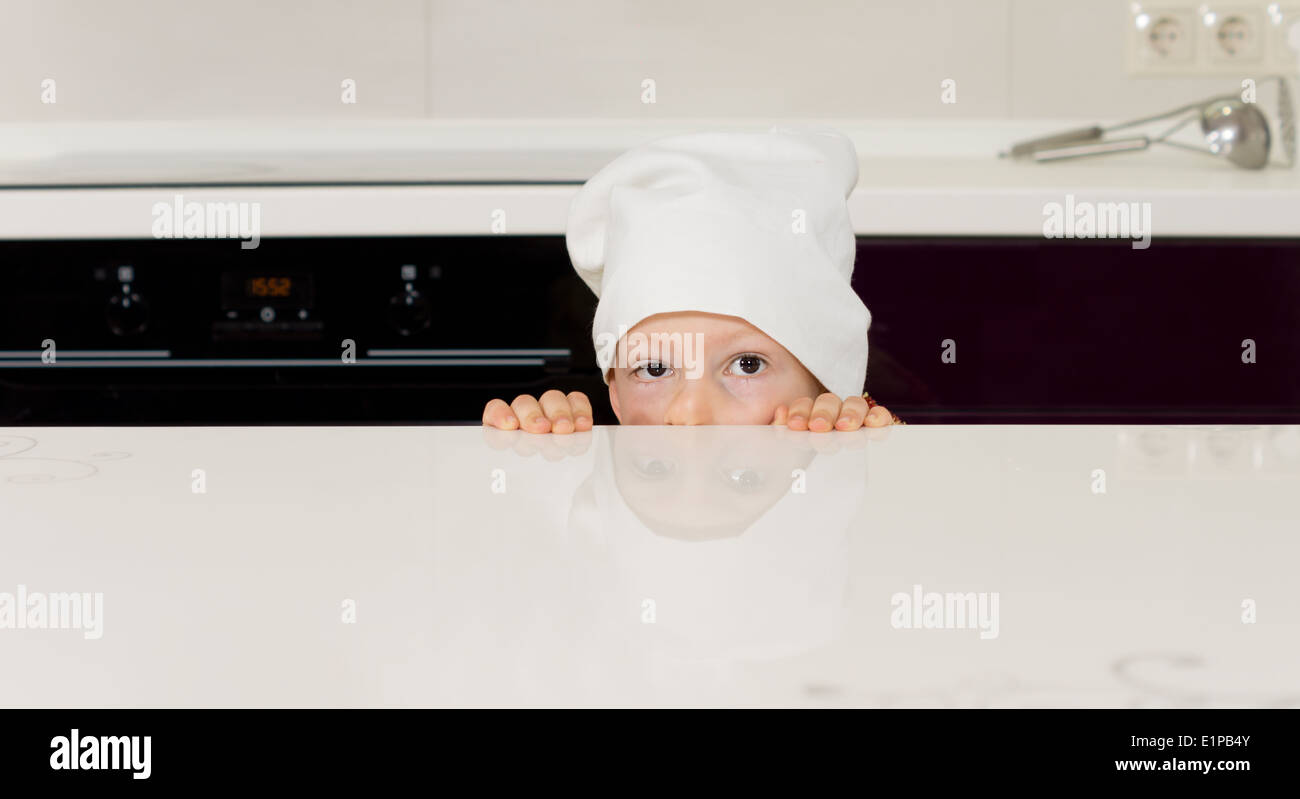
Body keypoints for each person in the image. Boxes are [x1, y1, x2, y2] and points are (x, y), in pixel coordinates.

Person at [482, 126, 901, 433]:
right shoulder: (598, 485)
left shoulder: (837, 475)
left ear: (824, 382)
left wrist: (854, 448)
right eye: (654, 367)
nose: (691, 414)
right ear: (614, 394)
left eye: (747, 365)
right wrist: (540, 456)